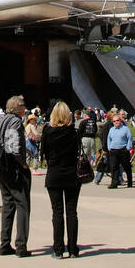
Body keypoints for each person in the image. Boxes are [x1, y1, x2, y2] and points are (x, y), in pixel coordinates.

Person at [41, 101, 83, 258]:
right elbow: (77, 150)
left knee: (57, 212)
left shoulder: (47, 132)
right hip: (72, 174)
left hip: (54, 174)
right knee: (72, 212)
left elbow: (43, 152)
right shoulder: (74, 132)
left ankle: (58, 249)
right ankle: (73, 249)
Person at [0, 95, 30, 257]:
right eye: (22, 105)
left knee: (7, 205)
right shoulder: (15, 121)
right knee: (23, 206)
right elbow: (13, 146)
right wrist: (23, 163)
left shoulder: (2, 121)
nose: (25, 108)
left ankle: (5, 243)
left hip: (3, 168)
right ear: (17, 108)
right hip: (15, 169)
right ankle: (21, 246)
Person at [106, 112, 134, 189]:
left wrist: (128, 148)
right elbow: (109, 139)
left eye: (117, 120)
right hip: (113, 150)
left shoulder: (125, 129)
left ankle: (130, 182)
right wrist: (109, 147)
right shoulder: (111, 129)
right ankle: (114, 183)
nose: (116, 122)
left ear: (120, 121)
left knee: (126, 167)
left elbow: (130, 139)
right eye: (114, 121)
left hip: (123, 150)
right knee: (114, 167)